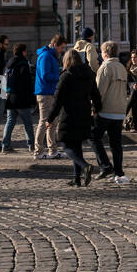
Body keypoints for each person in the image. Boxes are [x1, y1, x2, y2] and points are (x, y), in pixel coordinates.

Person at [47, 49, 102, 186]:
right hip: (84, 113)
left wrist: (50, 118)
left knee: (65, 144)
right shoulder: (89, 73)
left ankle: (85, 166)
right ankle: (76, 178)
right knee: (76, 145)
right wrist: (96, 108)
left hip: (69, 114)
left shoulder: (66, 76)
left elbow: (57, 100)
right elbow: (96, 93)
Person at [93, 42, 130, 182]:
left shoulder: (105, 67)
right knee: (116, 143)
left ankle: (105, 165)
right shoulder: (121, 67)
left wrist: (94, 108)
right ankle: (118, 172)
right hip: (119, 110)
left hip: (106, 110)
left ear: (105, 53)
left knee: (94, 137)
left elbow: (99, 91)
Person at [34, 33, 66, 159]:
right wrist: (59, 76)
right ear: (54, 45)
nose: (63, 50)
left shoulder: (51, 56)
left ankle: (52, 150)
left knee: (53, 121)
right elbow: (45, 75)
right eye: (61, 47)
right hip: (45, 93)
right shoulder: (46, 56)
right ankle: (38, 151)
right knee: (44, 121)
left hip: (50, 92)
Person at [1, 43, 36, 153]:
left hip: (10, 96)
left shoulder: (9, 63)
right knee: (27, 123)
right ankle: (31, 145)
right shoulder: (23, 63)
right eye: (25, 51)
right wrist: (31, 97)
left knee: (10, 122)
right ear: (23, 52)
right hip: (21, 97)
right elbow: (26, 82)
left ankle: (5, 145)